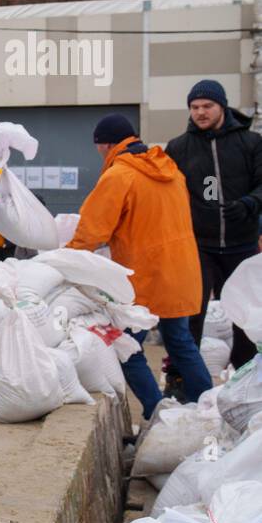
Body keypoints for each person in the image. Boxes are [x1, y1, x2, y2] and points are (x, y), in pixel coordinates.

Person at [66, 114, 212, 418]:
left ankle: (156, 411)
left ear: (106, 145)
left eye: (99, 148)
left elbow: (92, 231)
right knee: (181, 342)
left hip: (144, 278)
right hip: (182, 272)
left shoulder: (120, 175)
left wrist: (64, 261)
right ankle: (208, 410)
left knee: (127, 348)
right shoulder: (171, 170)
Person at [165, 79, 262, 383]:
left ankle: (246, 378)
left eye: (207, 106)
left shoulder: (251, 143)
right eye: (195, 107)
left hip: (241, 243)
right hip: (199, 244)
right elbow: (170, 194)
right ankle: (181, 380)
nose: (201, 112)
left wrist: (249, 203)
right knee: (192, 313)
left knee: (243, 314)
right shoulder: (179, 147)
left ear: (222, 106)